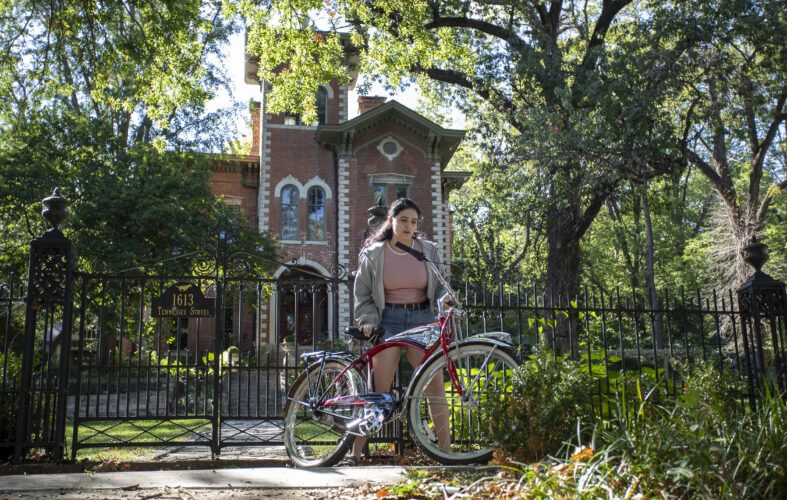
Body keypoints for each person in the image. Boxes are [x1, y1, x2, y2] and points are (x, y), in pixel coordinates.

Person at [341, 198, 450, 466]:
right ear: (391, 221)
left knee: (434, 386)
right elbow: (363, 293)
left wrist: (445, 299)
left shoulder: (428, 250)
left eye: (413, 222)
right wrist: (367, 320)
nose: (409, 226)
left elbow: (441, 285)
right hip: (387, 319)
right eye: (403, 220)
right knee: (379, 390)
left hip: (422, 318)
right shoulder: (374, 253)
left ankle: (447, 453)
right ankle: (355, 455)